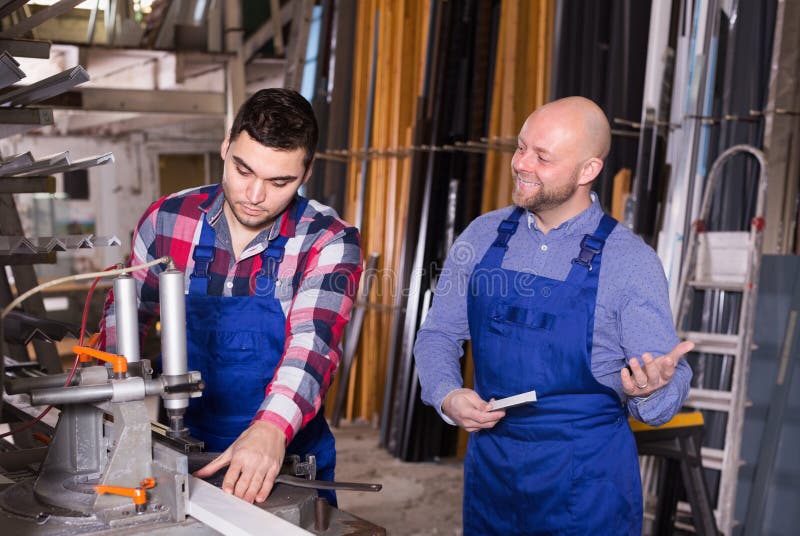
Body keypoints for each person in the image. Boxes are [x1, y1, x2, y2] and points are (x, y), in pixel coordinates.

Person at [413, 96, 694, 535]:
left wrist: (650, 390)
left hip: (585, 487)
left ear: (588, 171)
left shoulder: (630, 262)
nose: (522, 163)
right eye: (521, 147)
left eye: (542, 157)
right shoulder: (482, 236)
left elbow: (664, 385)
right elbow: (438, 333)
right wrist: (447, 393)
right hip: (493, 477)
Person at [99, 88, 362, 506]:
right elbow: (125, 319)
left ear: (307, 172)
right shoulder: (167, 221)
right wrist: (106, 404)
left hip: (284, 454)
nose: (254, 195)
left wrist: (271, 429)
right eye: (243, 170)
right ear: (226, 146)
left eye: (279, 182)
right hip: (182, 445)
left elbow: (314, 345)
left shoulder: (327, 240)